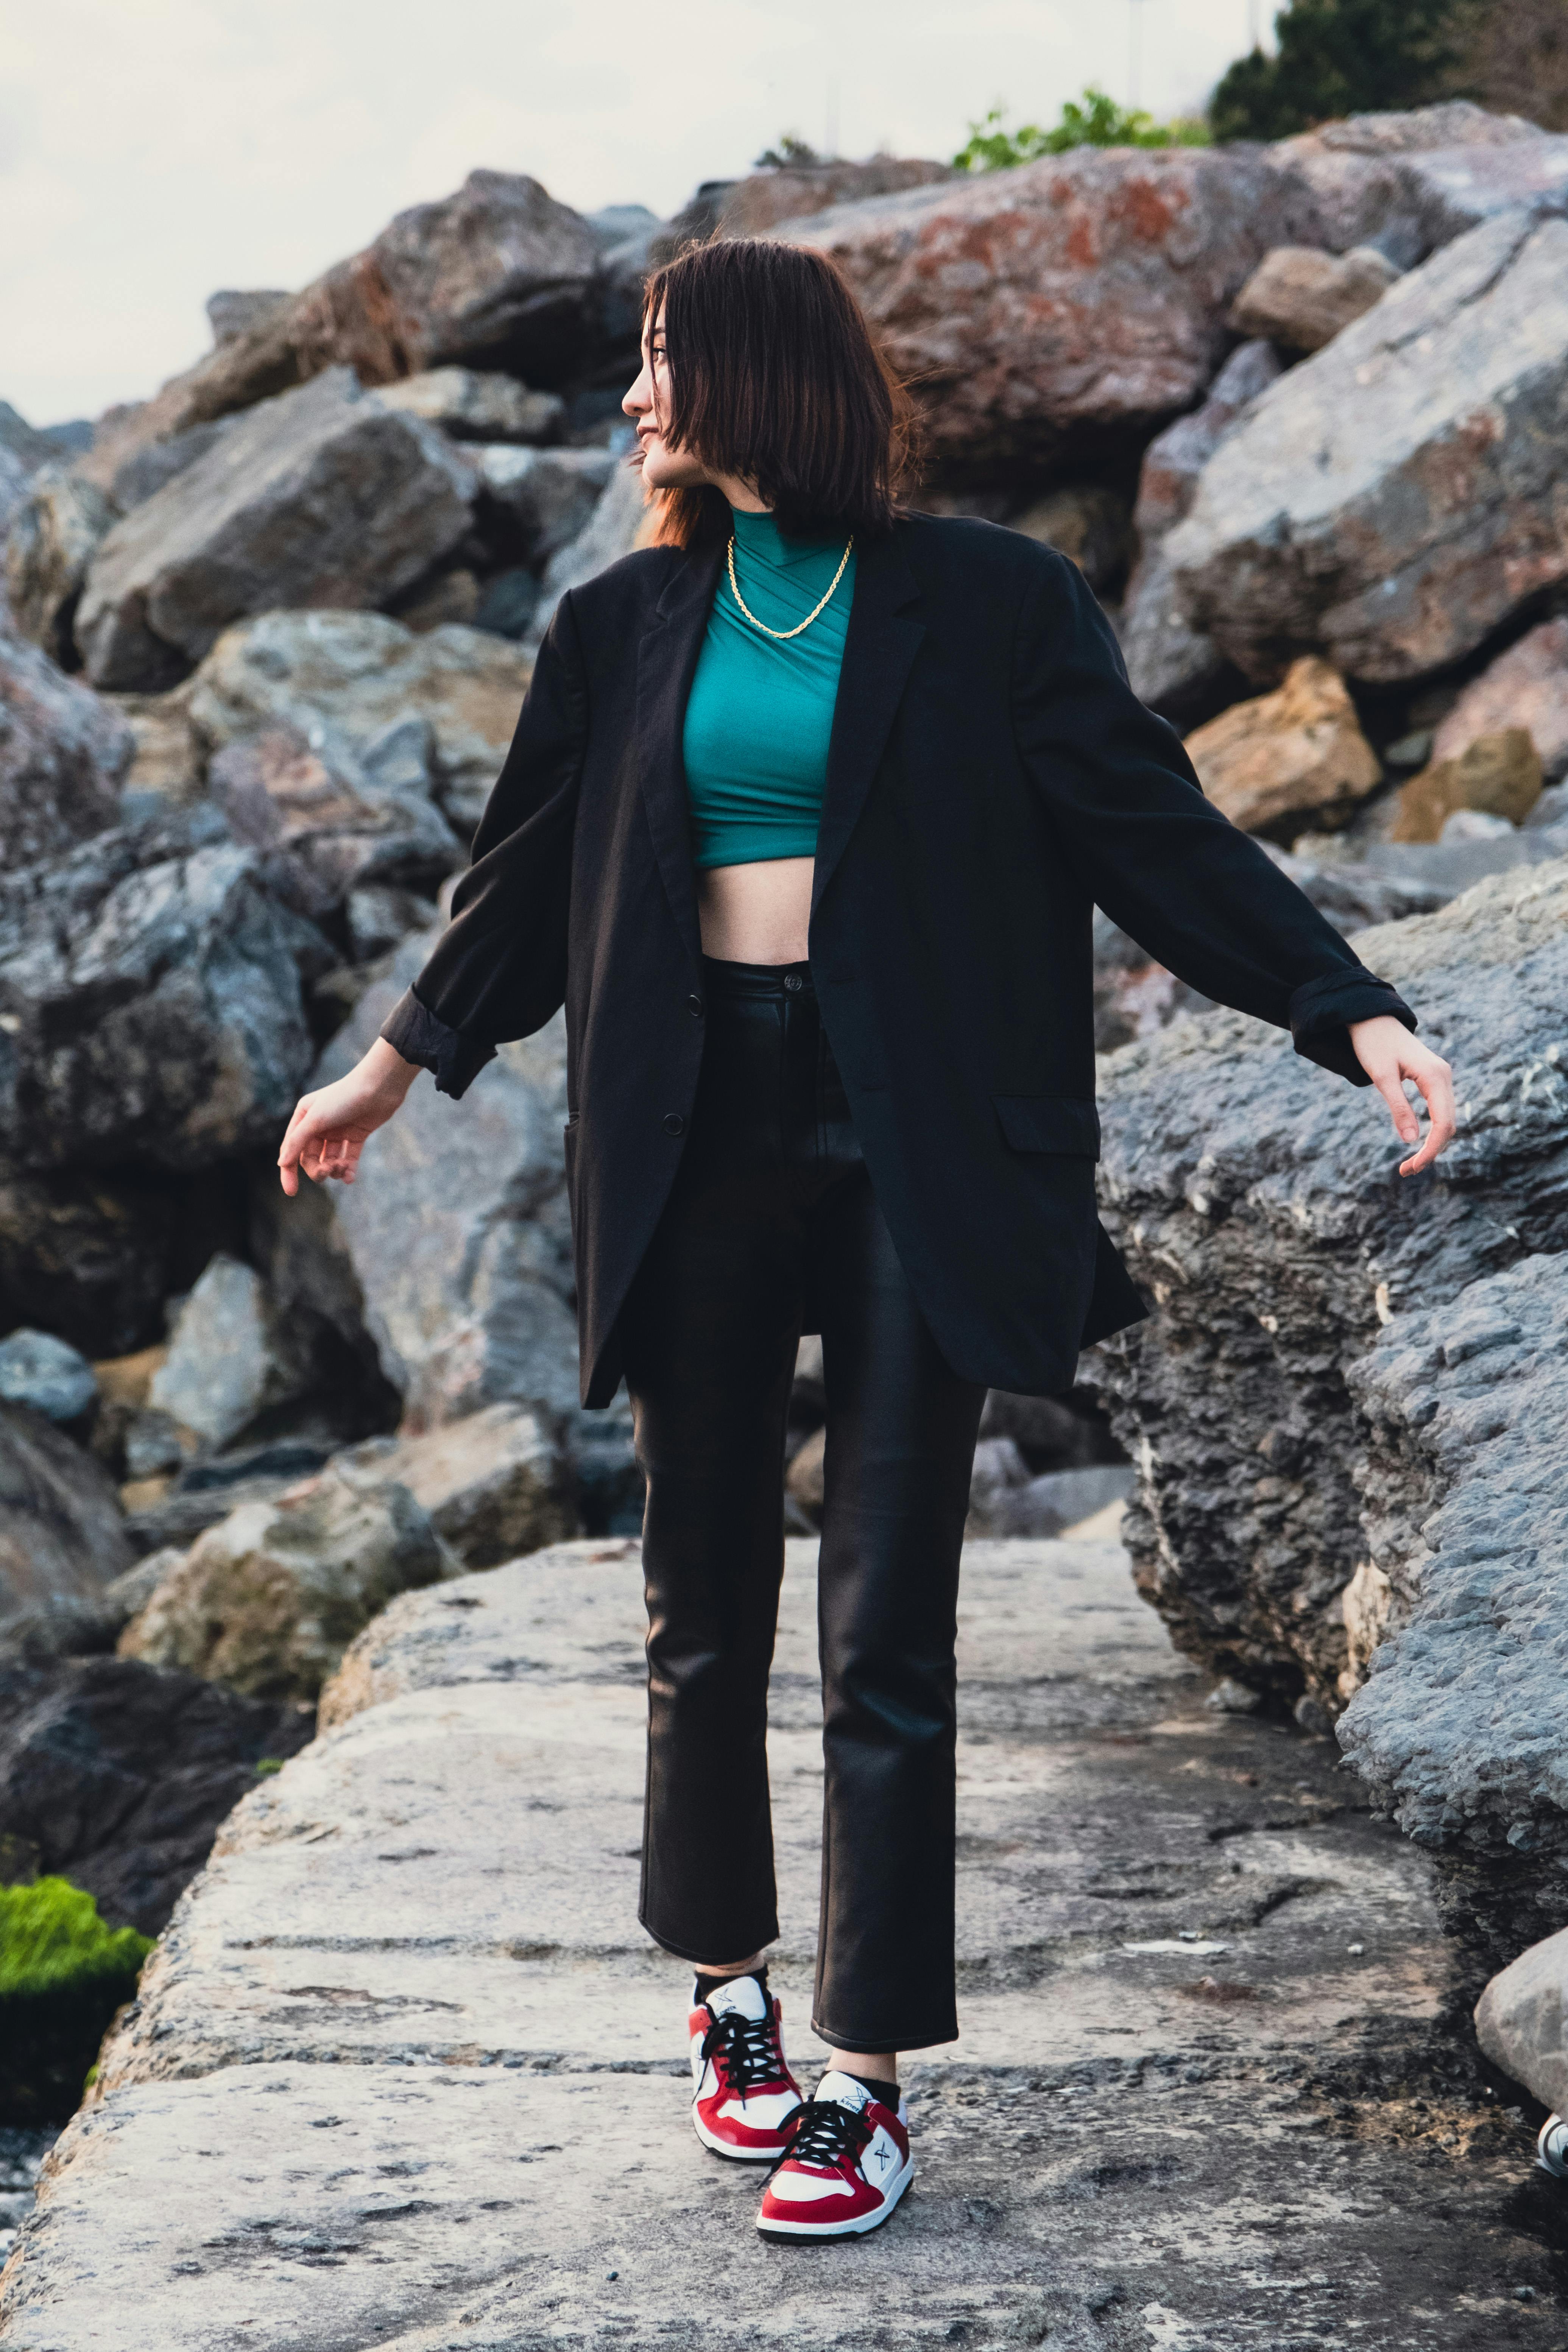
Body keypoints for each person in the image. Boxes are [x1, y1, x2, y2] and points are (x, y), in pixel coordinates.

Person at [278, 237, 1455, 2243]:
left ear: (751, 372)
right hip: (692, 1129)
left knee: (887, 1622)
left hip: (916, 1138)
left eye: (661, 361)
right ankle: (724, 1990)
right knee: (701, 1590)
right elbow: (524, 874)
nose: (636, 399)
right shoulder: (619, 622)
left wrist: (1343, 1003)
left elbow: (1143, 826)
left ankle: (868, 2075)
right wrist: (395, 1067)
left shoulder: (990, 602)